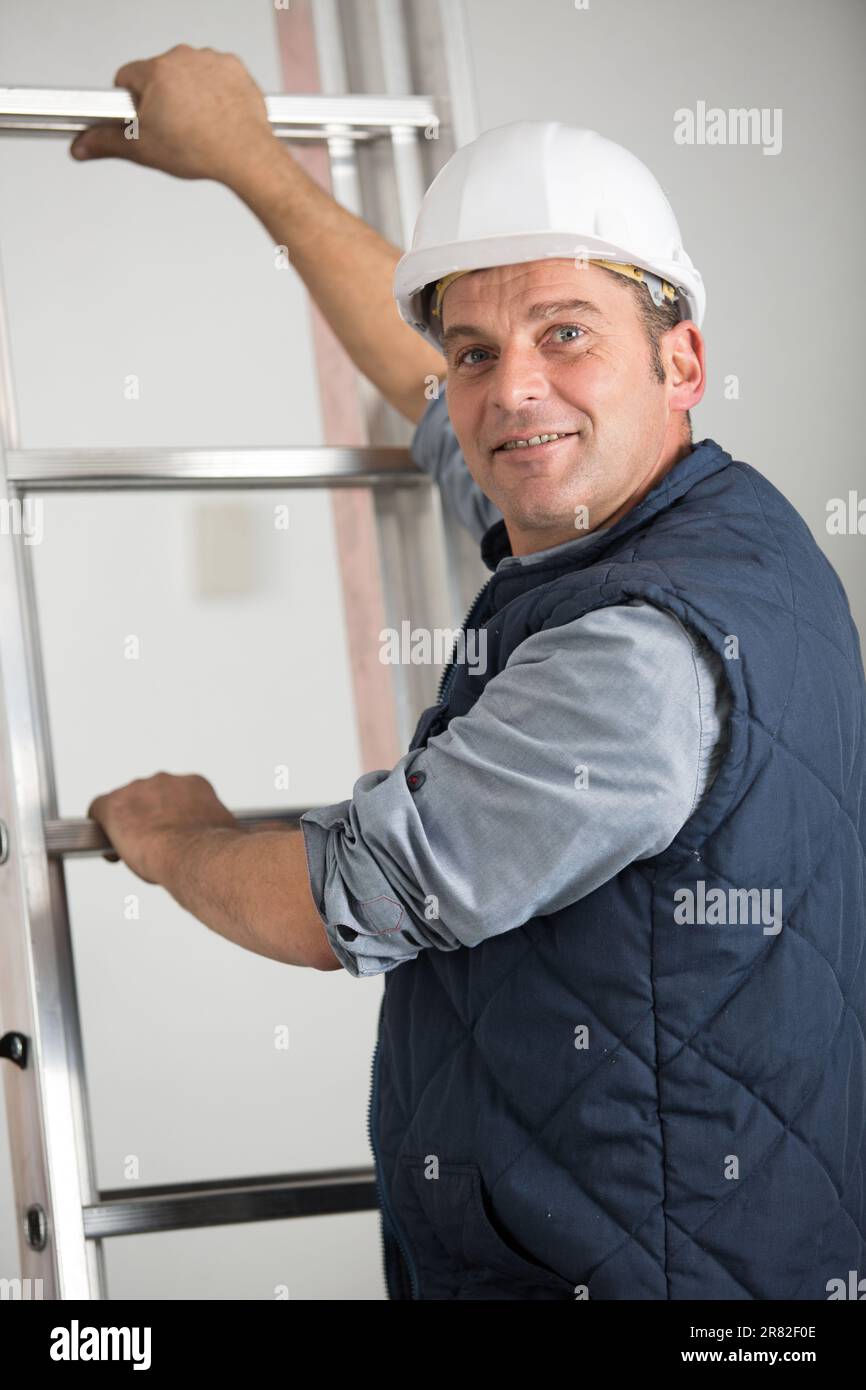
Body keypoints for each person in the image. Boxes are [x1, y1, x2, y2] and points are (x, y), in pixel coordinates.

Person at [78, 45, 866, 1301]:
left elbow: (344, 898)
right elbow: (429, 394)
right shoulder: (690, 520)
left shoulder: (637, 656)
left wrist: (175, 837)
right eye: (476, 352)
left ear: (680, 361)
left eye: (566, 335)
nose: (514, 392)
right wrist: (249, 165)